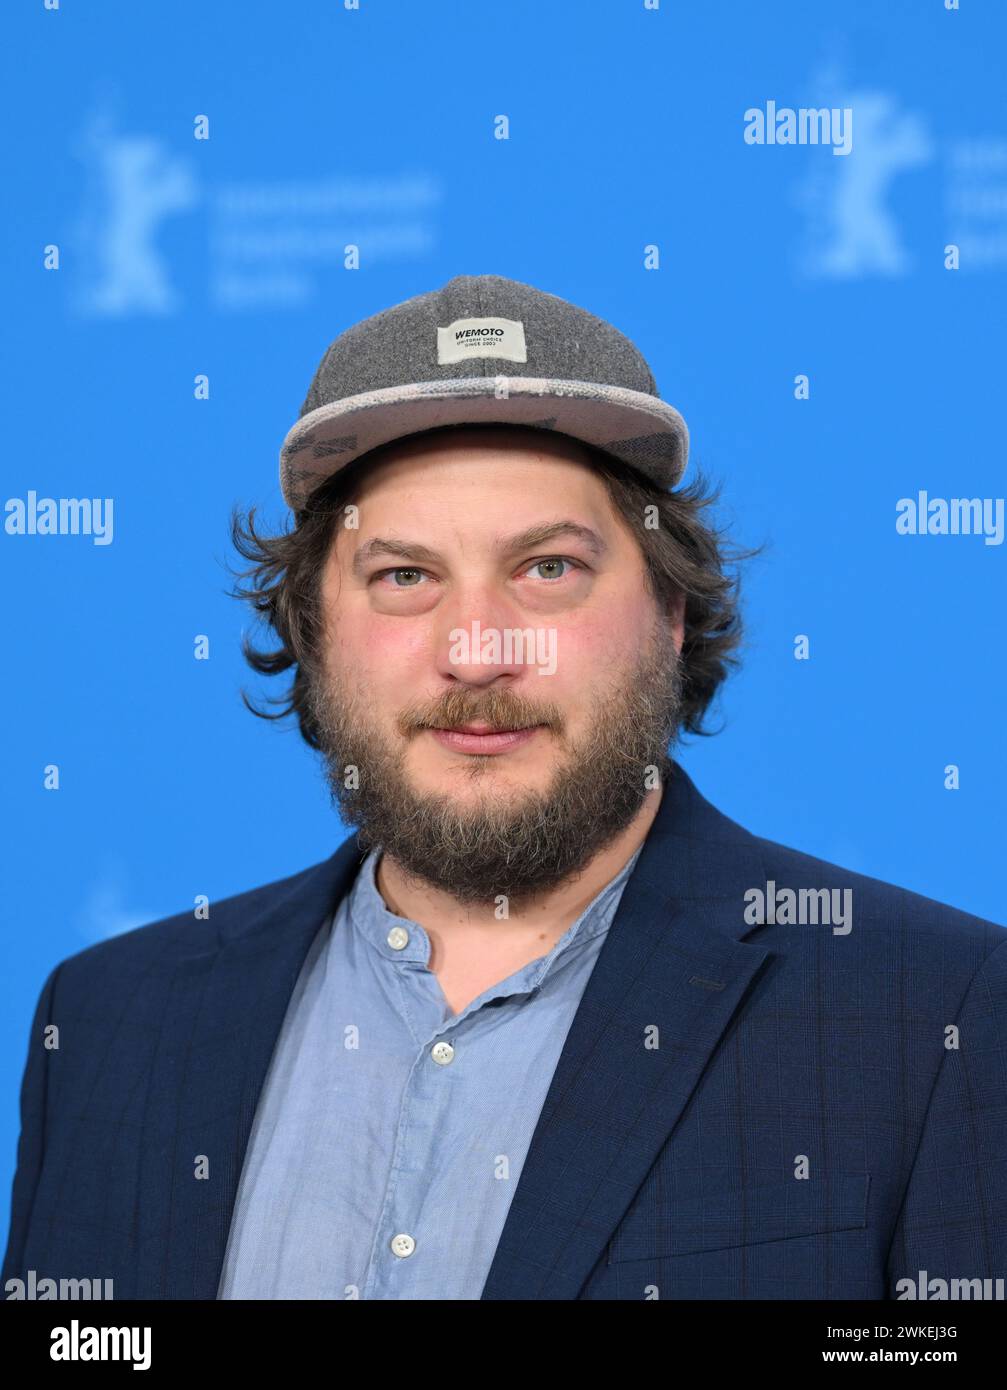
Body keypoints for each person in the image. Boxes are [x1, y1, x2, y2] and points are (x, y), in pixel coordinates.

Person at [4, 275, 1005, 1301]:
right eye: (403, 576)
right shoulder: (107, 1023)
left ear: (668, 612)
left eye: (548, 569)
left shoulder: (935, 1019)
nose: (475, 650)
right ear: (312, 632)